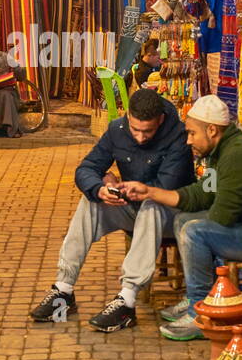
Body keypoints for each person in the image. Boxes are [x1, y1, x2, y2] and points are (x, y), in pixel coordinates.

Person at [121, 94, 242, 341]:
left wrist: (200, 216)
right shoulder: (219, 152)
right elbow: (203, 195)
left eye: (192, 133)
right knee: (183, 221)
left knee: (194, 231)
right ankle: (198, 300)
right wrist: (150, 192)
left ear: (212, 130)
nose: (188, 140)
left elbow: (223, 215)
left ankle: (202, 311)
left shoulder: (237, 155)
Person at [30, 86, 195, 331]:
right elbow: (86, 169)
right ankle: (63, 289)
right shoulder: (117, 130)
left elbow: (164, 187)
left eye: (147, 131)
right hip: (132, 207)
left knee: (152, 205)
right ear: (128, 117)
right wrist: (101, 188)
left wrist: (121, 186)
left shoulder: (179, 137)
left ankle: (127, 300)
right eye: (135, 130)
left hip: (171, 216)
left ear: (160, 120)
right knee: (91, 201)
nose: (140, 137)